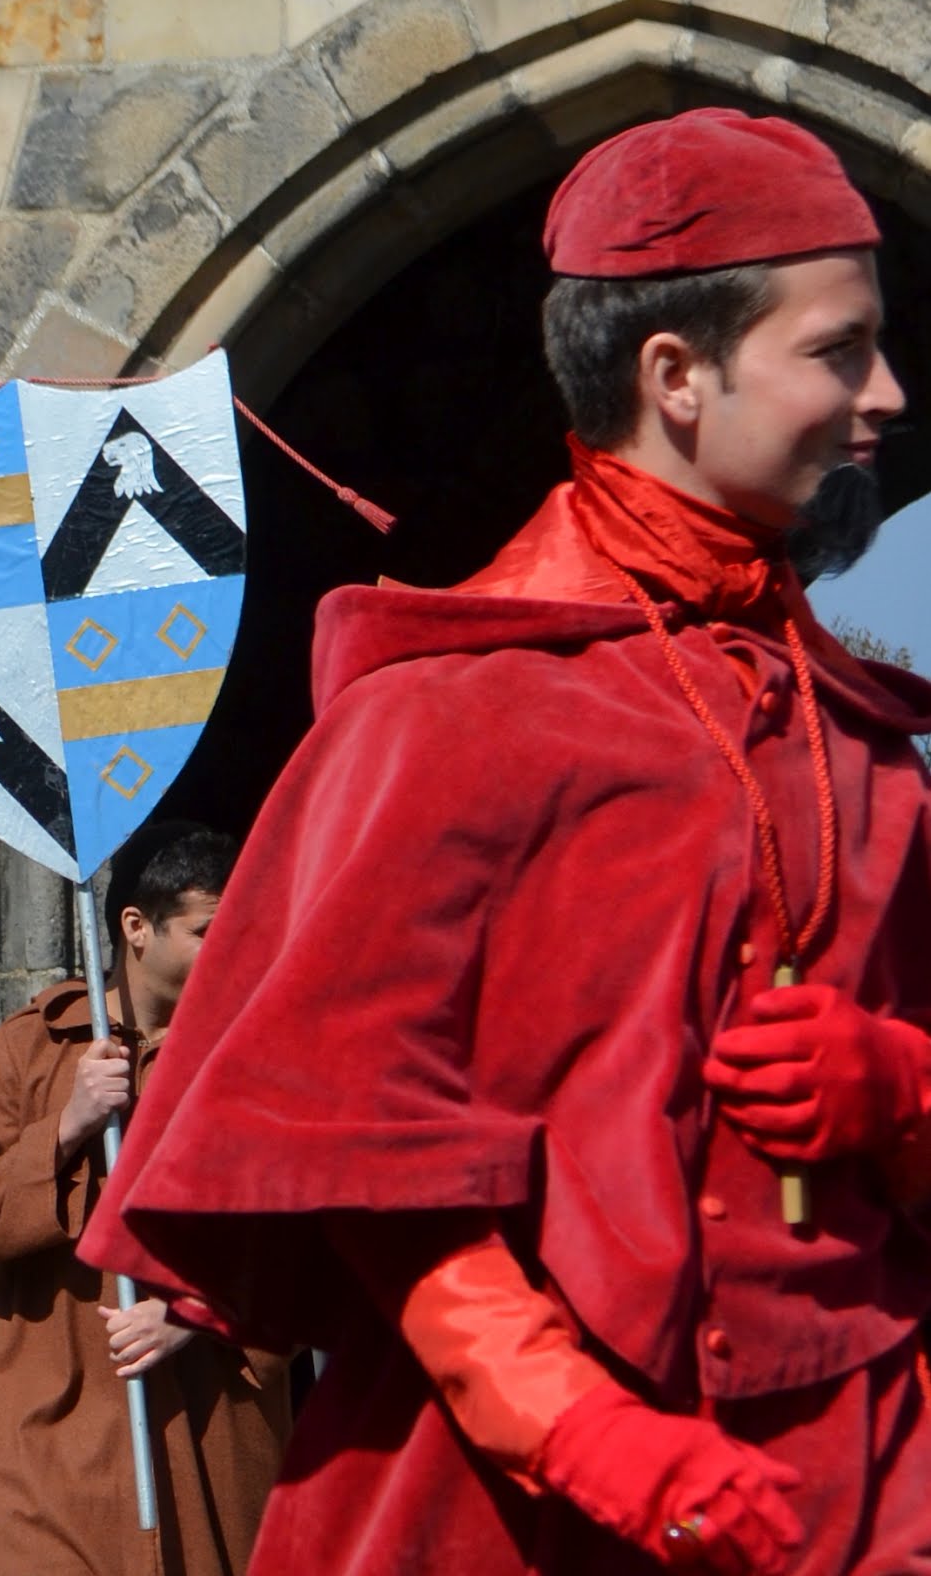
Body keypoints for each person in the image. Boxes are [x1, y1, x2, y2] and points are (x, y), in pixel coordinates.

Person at [78, 109, 931, 1575]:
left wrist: (905, 1086)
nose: (887, 396)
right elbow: (357, 1153)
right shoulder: (444, 718)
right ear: (675, 374)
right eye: (837, 349)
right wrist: (586, 1432)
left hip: (854, 1496)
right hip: (517, 1503)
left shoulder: (863, 745)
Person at [0, 821, 290, 1576]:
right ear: (136, 927)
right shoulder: (30, 1049)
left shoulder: (266, 1052)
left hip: (210, 1425)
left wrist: (195, 1311)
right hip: (55, 1434)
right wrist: (65, 1127)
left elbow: (311, 1232)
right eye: (206, 930)